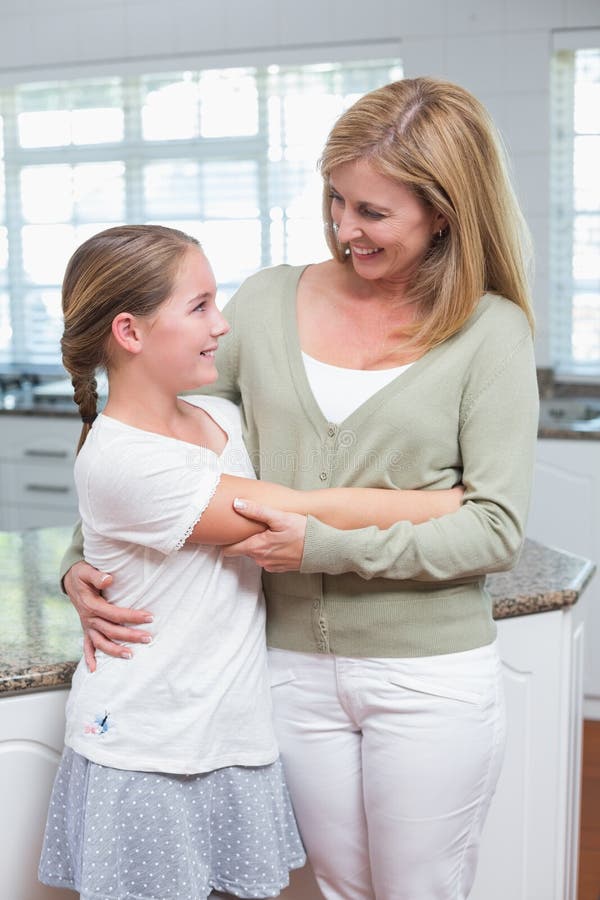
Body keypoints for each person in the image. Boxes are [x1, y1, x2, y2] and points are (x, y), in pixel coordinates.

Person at [60, 76, 539, 900]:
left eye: (373, 212)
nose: (345, 229)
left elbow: (493, 530)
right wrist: (83, 557)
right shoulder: (270, 300)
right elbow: (170, 440)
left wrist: (326, 546)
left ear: (444, 212)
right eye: (336, 200)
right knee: (340, 887)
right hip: (284, 669)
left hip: (424, 671)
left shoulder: (491, 332)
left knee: (422, 889)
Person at [40, 224, 462, 900]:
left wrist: (73, 563)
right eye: (200, 305)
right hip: (149, 746)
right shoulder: (123, 460)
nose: (223, 324)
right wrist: (448, 506)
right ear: (130, 331)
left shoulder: (220, 419)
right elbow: (299, 505)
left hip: (228, 734)